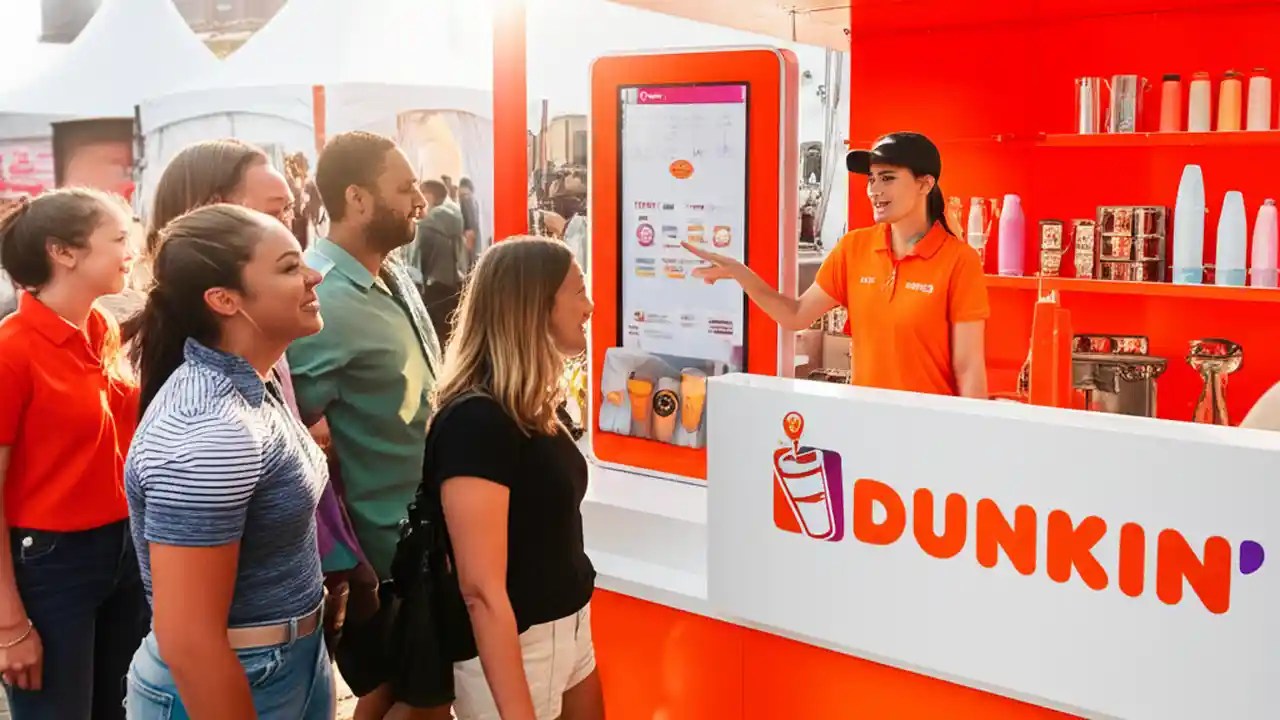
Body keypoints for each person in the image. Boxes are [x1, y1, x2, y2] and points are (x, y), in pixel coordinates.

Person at [131, 139, 361, 655]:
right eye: (275, 212)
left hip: (280, 651)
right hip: (246, 660)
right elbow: (192, 638)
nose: (293, 221)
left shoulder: (248, 364)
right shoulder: (203, 423)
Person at [123, 204, 332, 718]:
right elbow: (189, 640)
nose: (314, 275)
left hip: (288, 661)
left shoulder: (252, 379)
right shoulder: (208, 430)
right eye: (288, 267)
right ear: (224, 300)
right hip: (237, 674)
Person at [285, 131, 445, 720]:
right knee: (419, 701)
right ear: (356, 198)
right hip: (384, 556)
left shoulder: (391, 273)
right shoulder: (321, 295)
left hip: (420, 542)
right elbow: (287, 425)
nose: (419, 203)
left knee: (392, 696)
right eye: (404, 190)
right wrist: (341, 558)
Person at [427, 237, 602, 720]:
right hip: (519, 646)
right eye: (578, 291)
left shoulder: (533, 405)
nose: (589, 306)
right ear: (533, 304)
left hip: (567, 626)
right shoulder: (477, 421)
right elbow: (481, 591)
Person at [685, 131, 989, 398]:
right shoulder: (854, 248)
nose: (874, 190)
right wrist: (741, 274)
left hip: (929, 433)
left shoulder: (959, 261)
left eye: (887, 178)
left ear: (925, 184)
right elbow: (796, 315)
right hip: (865, 426)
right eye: (871, 179)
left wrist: (969, 447)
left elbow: (968, 368)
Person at [0, 189, 148, 719]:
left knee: (122, 708)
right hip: (51, 563)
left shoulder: (100, 325)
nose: (131, 251)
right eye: (118, 239)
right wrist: (10, 624)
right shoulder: (12, 349)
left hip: (123, 547)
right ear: (64, 253)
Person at [415, 178, 467, 345]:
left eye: (421, 194)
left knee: (440, 332)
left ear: (429, 195)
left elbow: (421, 227)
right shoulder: (445, 213)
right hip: (444, 280)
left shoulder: (441, 215)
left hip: (440, 281)